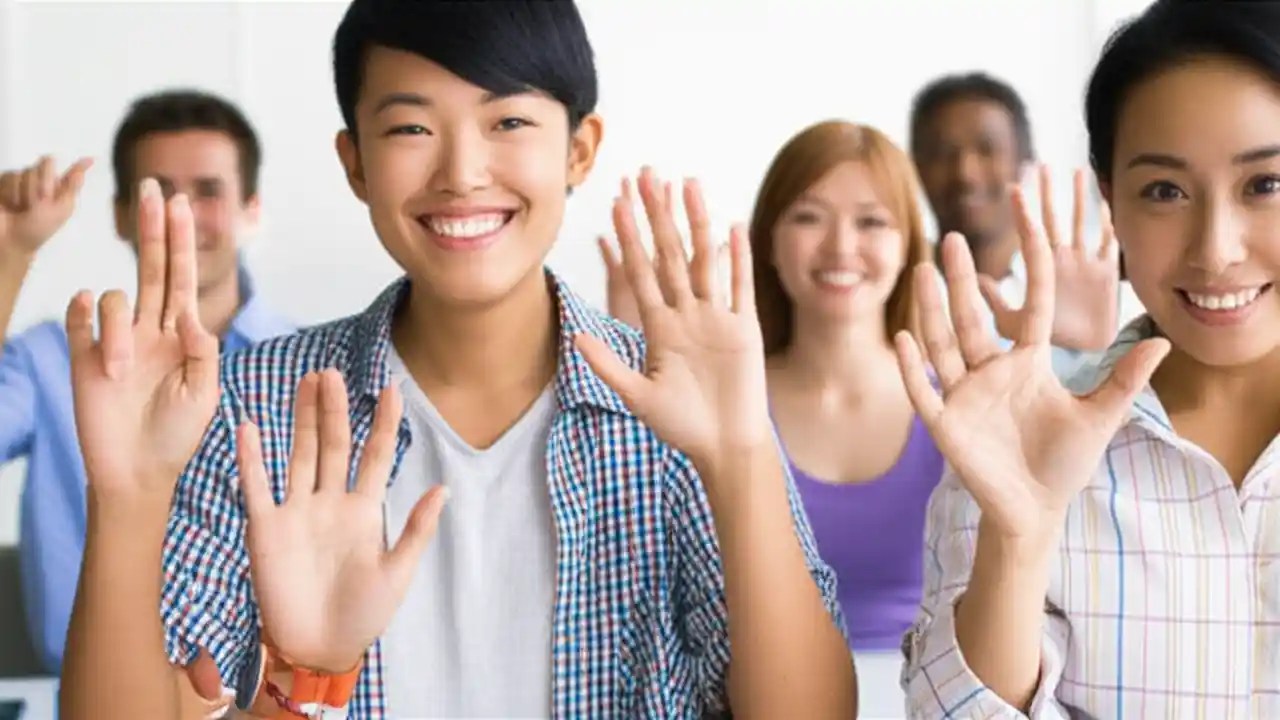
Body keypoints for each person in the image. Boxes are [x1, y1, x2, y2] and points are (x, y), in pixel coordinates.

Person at [58, 2, 856, 719]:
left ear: (581, 150)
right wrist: (128, 497)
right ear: (355, 162)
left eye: (508, 123)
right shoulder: (254, 405)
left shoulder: (677, 403)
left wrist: (741, 455)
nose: (462, 174)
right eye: (411, 127)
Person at [900, 1, 1280, 716]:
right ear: (1113, 204)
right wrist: (1020, 534)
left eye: (1266, 184)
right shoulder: (1024, 437)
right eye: (1164, 191)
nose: (1216, 249)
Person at [0, 89, 292, 673]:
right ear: (120, 213)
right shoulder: (53, 360)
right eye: (158, 192)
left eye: (208, 191)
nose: (181, 213)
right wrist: (9, 249)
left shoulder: (311, 365)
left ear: (251, 208)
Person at [909, 72, 1121, 379]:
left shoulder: (1080, 289)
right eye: (943, 153)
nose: (965, 173)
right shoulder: (886, 288)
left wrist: (1092, 353)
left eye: (987, 149)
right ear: (914, 166)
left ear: (1025, 162)